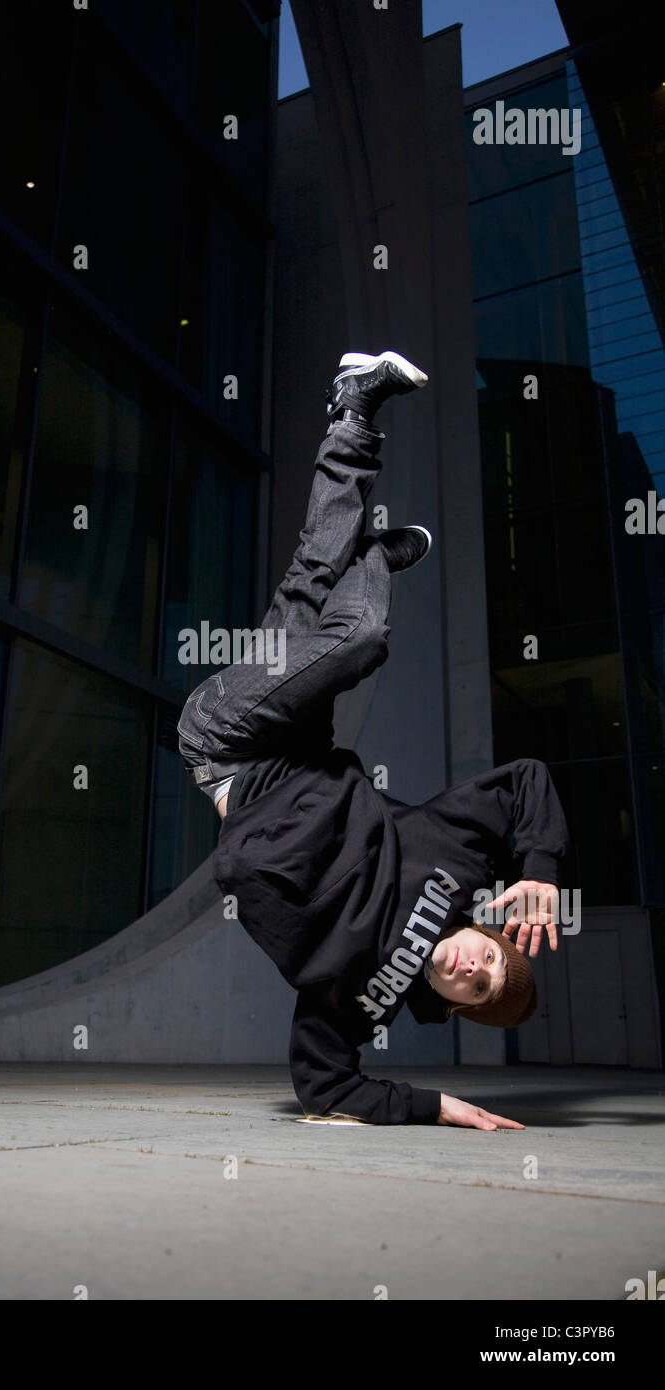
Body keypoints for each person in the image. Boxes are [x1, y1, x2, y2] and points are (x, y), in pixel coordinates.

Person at [177, 351, 570, 1132]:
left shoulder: (368, 998)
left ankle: (377, 560)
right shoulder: (461, 867)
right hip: (299, 735)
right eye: (488, 957)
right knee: (316, 581)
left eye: (476, 988)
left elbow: (325, 1090)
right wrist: (540, 868)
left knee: (354, 632)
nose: (470, 967)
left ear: (460, 1006)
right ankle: (354, 407)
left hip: (227, 747)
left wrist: (433, 1108)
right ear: (483, 932)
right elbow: (524, 781)